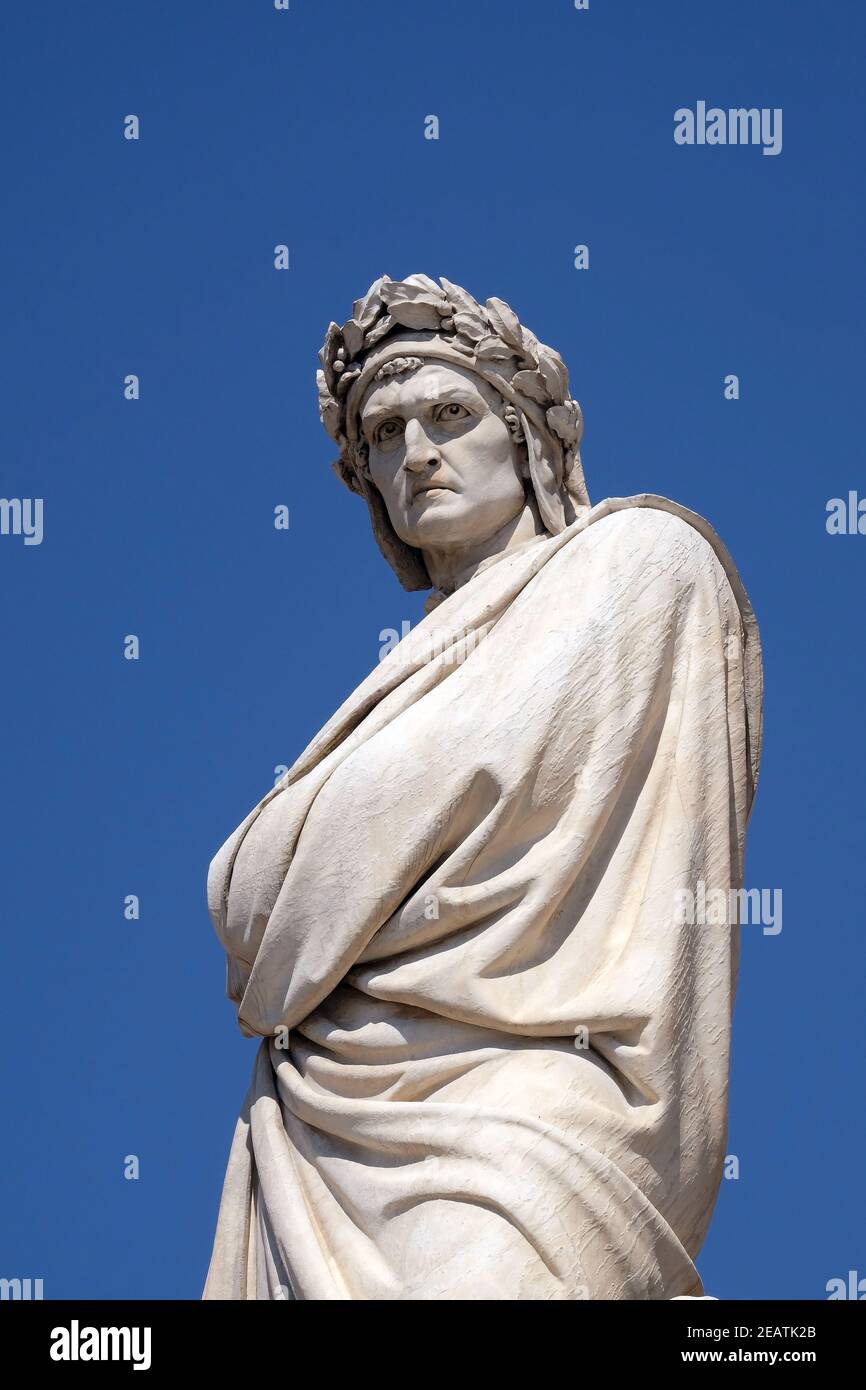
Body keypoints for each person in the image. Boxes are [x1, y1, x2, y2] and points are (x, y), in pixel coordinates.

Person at [203, 274, 763, 1300]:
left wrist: (307, 856)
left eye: (448, 415)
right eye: (382, 435)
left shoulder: (637, 562)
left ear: (523, 432)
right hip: (324, 1133)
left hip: (526, 1121)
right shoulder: (403, 675)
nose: (413, 452)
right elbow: (256, 921)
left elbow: (290, 873)